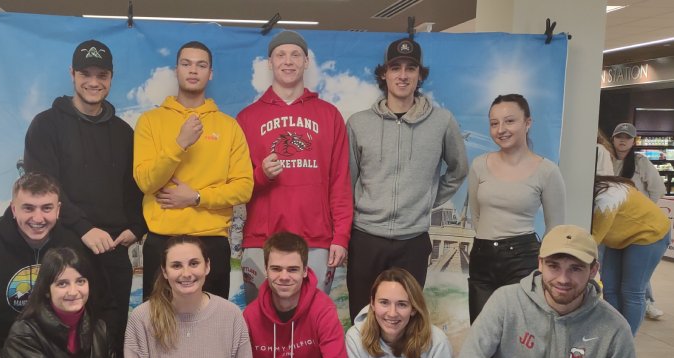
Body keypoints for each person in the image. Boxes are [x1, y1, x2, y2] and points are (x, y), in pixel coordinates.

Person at [24, 39, 146, 341]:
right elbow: (43, 190)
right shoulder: (45, 126)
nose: (93, 82)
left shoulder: (123, 132)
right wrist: (83, 228)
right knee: (67, 337)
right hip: (66, 248)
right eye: (85, 74)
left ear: (111, 78)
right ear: (72, 74)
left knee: (114, 337)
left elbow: (137, 189)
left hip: (114, 253)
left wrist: (137, 226)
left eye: (101, 76)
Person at [345, 36, 468, 320]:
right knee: (363, 319)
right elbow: (347, 180)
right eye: (396, 67)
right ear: (384, 74)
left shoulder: (442, 121)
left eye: (410, 68)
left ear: (419, 75)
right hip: (365, 238)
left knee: (406, 321)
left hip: (413, 241)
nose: (403, 75)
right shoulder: (358, 123)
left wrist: (426, 199)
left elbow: (458, 169)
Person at [458, 225, 640, 358]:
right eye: (553, 266)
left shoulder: (614, 327)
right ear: (540, 264)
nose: (563, 279)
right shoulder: (506, 301)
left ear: (593, 270)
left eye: (575, 268)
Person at [237, 30, 352, 303]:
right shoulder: (247, 118)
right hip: (261, 240)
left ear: (306, 61)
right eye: (280, 54)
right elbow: (236, 185)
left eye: (295, 54)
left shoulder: (329, 115)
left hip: (316, 239)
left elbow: (340, 181)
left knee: (313, 324)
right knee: (260, 324)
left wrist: (341, 237)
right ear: (270, 62)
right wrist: (261, 175)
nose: (288, 61)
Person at [134, 41, 253, 300]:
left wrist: (197, 197)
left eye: (201, 65)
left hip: (211, 242)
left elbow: (244, 187)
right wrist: (179, 144)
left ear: (210, 73)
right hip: (161, 240)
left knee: (211, 328)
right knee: (158, 327)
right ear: (176, 70)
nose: (193, 70)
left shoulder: (228, 126)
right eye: (186, 64)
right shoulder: (149, 122)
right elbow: (145, 182)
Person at [0, 172, 85, 351]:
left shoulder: (75, 246)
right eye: (28, 208)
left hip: (62, 354)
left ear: (58, 209)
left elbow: (101, 305)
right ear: (13, 209)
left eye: (46, 208)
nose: (38, 218)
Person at [466, 94, 566, 322]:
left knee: (519, 336)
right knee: (482, 334)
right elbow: (477, 215)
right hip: (482, 257)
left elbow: (555, 229)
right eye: (494, 123)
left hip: (523, 261)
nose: (501, 129)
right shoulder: (479, 165)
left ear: (527, 123)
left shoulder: (547, 171)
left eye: (510, 121)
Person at [124, 236, 253, 358]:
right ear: (165, 271)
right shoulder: (142, 319)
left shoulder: (231, 316)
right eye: (176, 265)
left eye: (194, 263)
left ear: (207, 266)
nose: (186, 273)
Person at [2, 247, 121, 358]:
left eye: (80, 281)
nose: (73, 291)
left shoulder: (99, 329)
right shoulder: (24, 334)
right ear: (46, 290)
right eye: (62, 284)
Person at [243, 232, 349, 358]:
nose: (284, 277)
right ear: (266, 270)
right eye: (276, 269)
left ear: (305, 271)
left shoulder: (323, 309)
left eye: (292, 269)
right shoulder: (251, 315)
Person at [346, 268, 453, 358]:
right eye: (384, 302)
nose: (392, 313)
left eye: (402, 304)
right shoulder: (356, 337)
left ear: (413, 308)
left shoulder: (437, 342)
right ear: (372, 304)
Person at [592, 175, 670, 335]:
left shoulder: (607, 198)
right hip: (620, 236)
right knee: (610, 287)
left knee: (631, 290)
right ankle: (613, 334)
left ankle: (626, 340)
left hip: (650, 234)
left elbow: (592, 241)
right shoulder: (599, 191)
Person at [610, 122, 667, 320]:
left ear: (633, 141)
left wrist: (645, 212)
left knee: (636, 274)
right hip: (614, 227)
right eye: (619, 136)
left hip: (639, 228)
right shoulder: (606, 160)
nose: (622, 140)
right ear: (613, 138)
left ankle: (648, 302)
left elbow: (657, 189)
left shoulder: (640, 161)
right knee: (618, 275)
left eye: (627, 137)